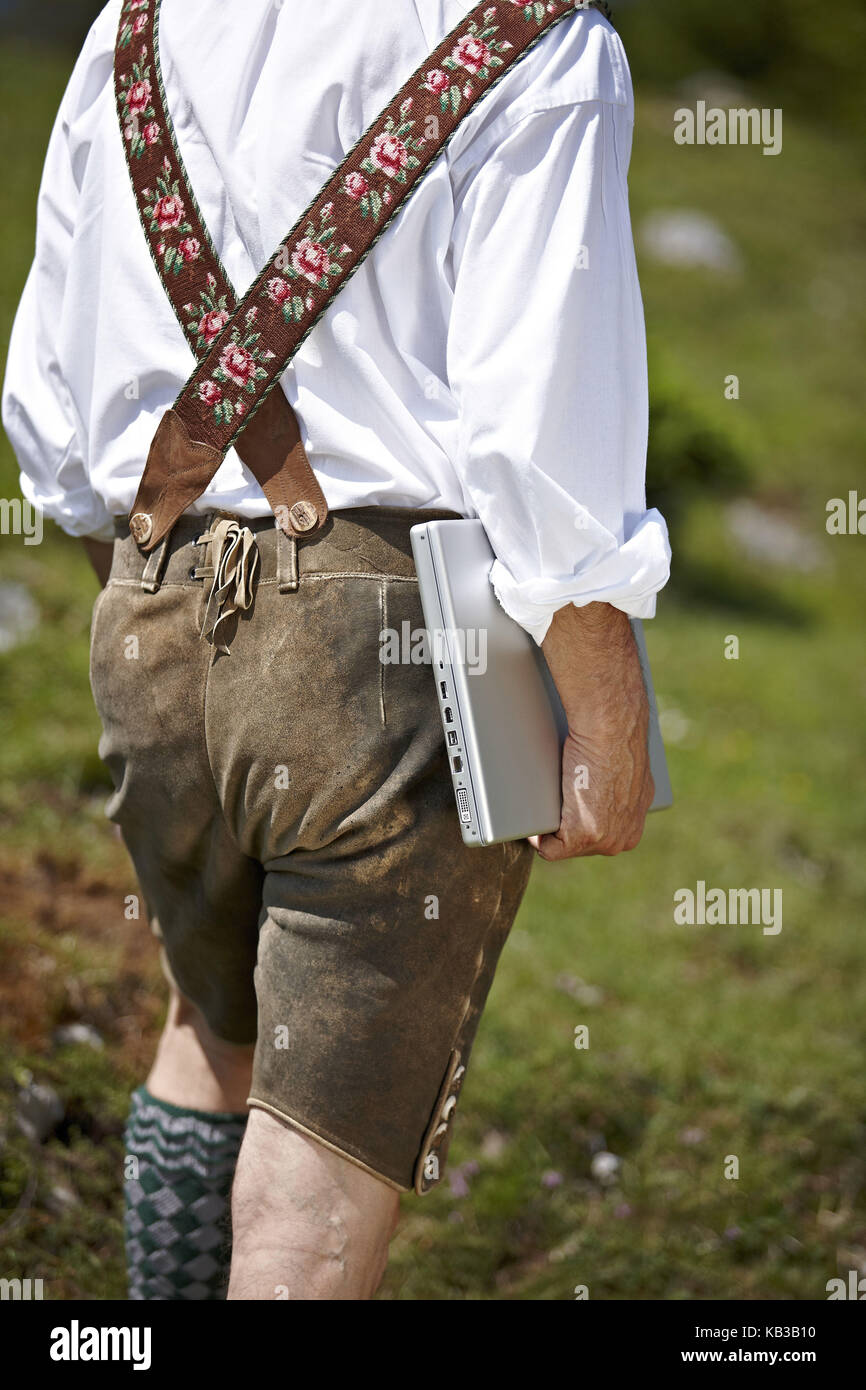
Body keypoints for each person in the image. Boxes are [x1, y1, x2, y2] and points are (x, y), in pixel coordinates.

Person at [2, 0, 670, 1301]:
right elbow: (537, 424)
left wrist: (161, 601)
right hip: (397, 632)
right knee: (319, 1173)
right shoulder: (537, 34)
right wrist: (606, 707)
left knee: (213, 1030)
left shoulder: (134, 25)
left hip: (145, 598)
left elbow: (49, 396)